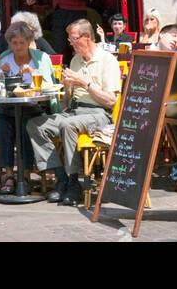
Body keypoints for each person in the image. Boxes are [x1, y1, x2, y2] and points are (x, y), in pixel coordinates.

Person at [27, 18, 121, 206]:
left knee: (68, 125)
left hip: (99, 113)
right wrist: (67, 87)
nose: (71, 44)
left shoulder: (107, 60)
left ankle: (73, 182)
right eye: (69, 40)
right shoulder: (75, 60)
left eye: (73, 39)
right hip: (73, 111)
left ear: (87, 37)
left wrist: (84, 84)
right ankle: (61, 176)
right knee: (35, 125)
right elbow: (67, 102)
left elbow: (111, 101)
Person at [0, 20, 56, 196]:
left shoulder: (40, 59)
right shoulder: (4, 59)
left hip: (33, 107)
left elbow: (50, 86)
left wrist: (33, 74)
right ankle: (9, 176)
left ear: (29, 43)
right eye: (14, 43)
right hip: (9, 107)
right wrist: (0, 75)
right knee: (2, 125)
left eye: (22, 42)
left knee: (26, 126)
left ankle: (25, 175)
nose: (18, 47)